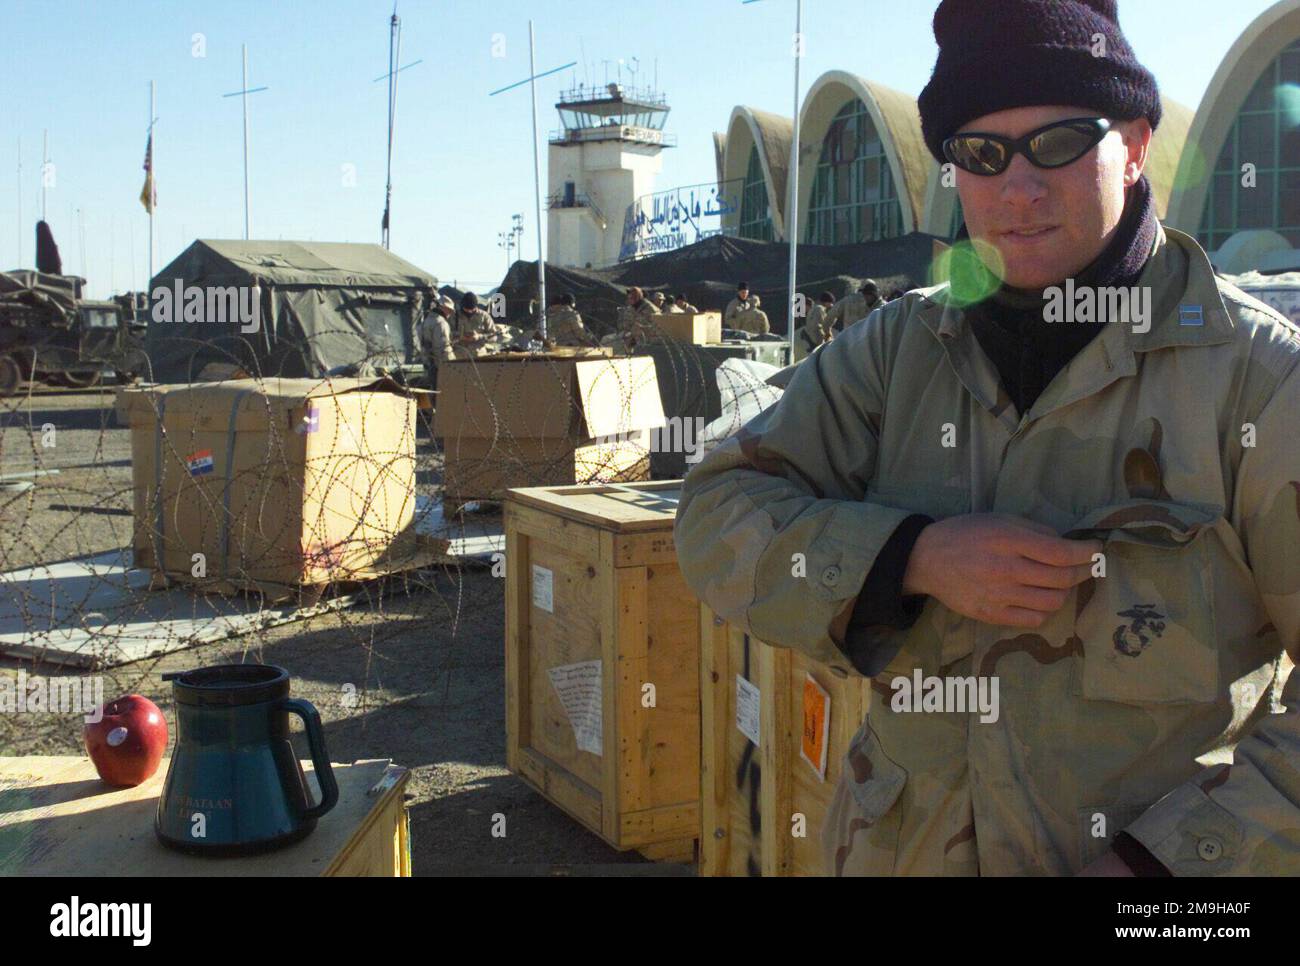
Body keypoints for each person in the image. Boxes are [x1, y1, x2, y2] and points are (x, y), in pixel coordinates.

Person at [675, 0, 1300, 877]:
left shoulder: (1258, 380)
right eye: (981, 153)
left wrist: (1167, 873)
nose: (1019, 188)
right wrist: (909, 559)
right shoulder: (896, 354)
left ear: (1137, 140)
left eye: (1058, 143)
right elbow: (714, 513)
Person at [451, 291, 506, 358]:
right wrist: (460, 336)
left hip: (480, 357)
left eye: (471, 309)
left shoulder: (484, 316)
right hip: (459, 357)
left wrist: (479, 337)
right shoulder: (453, 316)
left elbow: (494, 336)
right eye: (466, 309)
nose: (469, 311)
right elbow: (445, 335)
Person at [418, 292, 455, 389]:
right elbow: (443, 348)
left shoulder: (426, 320)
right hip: (440, 366)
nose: (450, 313)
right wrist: (454, 365)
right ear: (443, 307)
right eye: (449, 310)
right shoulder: (441, 323)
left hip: (428, 362)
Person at [800, 291, 836, 356]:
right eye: (830, 303)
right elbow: (826, 324)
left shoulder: (814, 308)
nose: (831, 305)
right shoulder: (820, 309)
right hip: (817, 338)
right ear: (826, 301)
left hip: (811, 337)